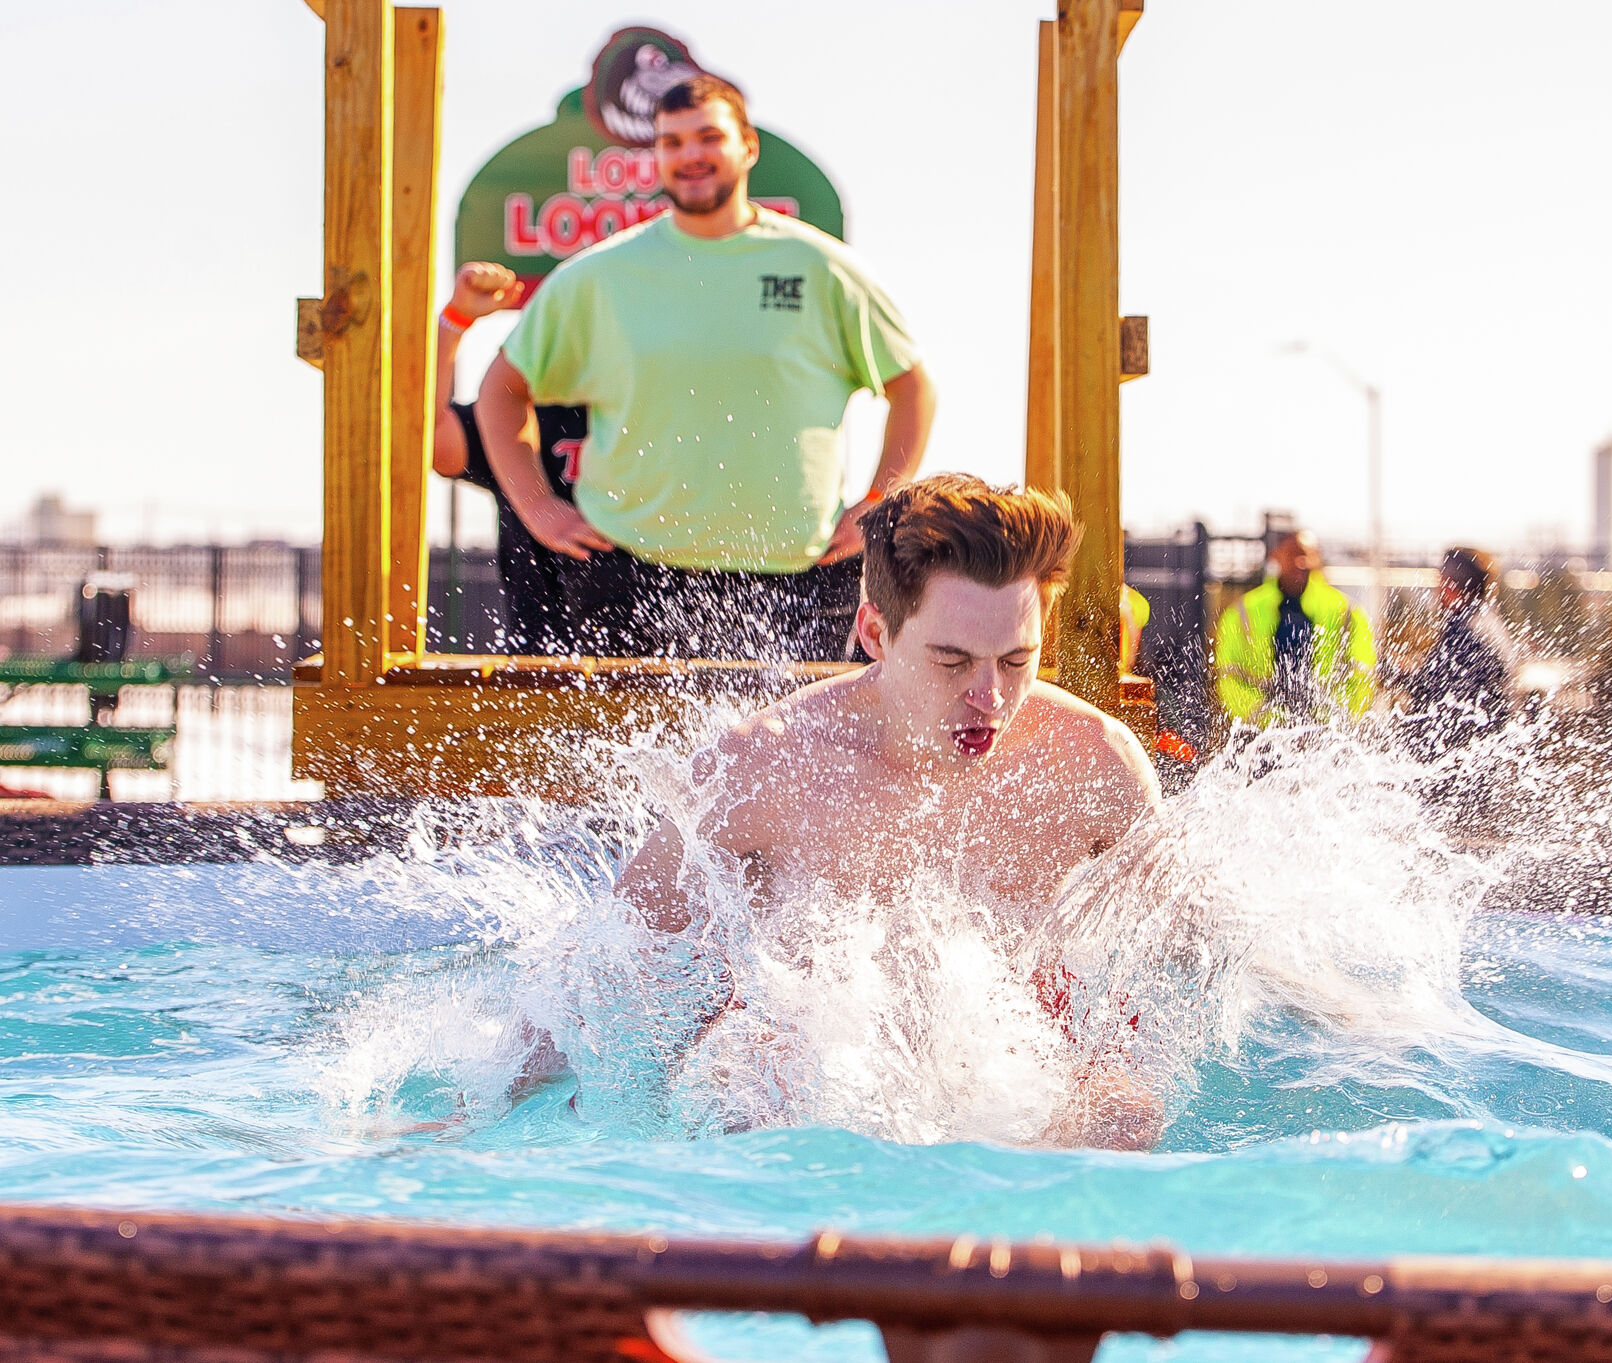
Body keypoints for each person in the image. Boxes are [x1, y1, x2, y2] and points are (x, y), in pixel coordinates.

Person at [617, 474, 1164, 1147]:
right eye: (952, 661)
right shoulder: (769, 766)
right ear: (876, 631)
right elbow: (601, 965)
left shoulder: (1092, 761)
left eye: (1018, 658)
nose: (990, 695)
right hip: (814, 1076)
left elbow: (1201, 940)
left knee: (1122, 1110)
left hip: (1006, 1078)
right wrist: (476, 1118)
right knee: (755, 1072)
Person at [476, 72, 937, 661]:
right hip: (630, 570)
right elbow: (502, 390)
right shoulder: (599, 275)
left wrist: (880, 497)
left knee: (792, 755)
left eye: (707, 137)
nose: (690, 155)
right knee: (624, 756)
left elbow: (914, 387)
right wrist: (538, 507)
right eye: (672, 143)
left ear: (747, 147)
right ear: (656, 159)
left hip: (799, 572)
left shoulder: (822, 267)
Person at [429, 262, 590, 654]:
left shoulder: (661, 411)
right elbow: (427, 437)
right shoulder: (511, 417)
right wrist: (453, 323)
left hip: (677, 661)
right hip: (543, 669)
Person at [1214, 530, 1375, 726]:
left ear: (1317, 559)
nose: (1300, 561)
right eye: (1292, 554)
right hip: (1262, 734)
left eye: (1306, 554)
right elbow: (1229, 676)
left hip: (1328, 733)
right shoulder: (1242, 612)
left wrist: (1336, 722)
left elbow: (1362, 674)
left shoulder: (1348, 612)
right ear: (1275, 556)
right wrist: (1267, 721)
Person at [1395, 547, 1514, 762]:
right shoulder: (1486, 623)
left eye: (1440, 579)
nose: (1435, 589)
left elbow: (1436, 691)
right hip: (1483, 758)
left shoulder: (1466, 633)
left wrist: (1398, 673)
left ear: (1452, 584)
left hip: (1458, 762)